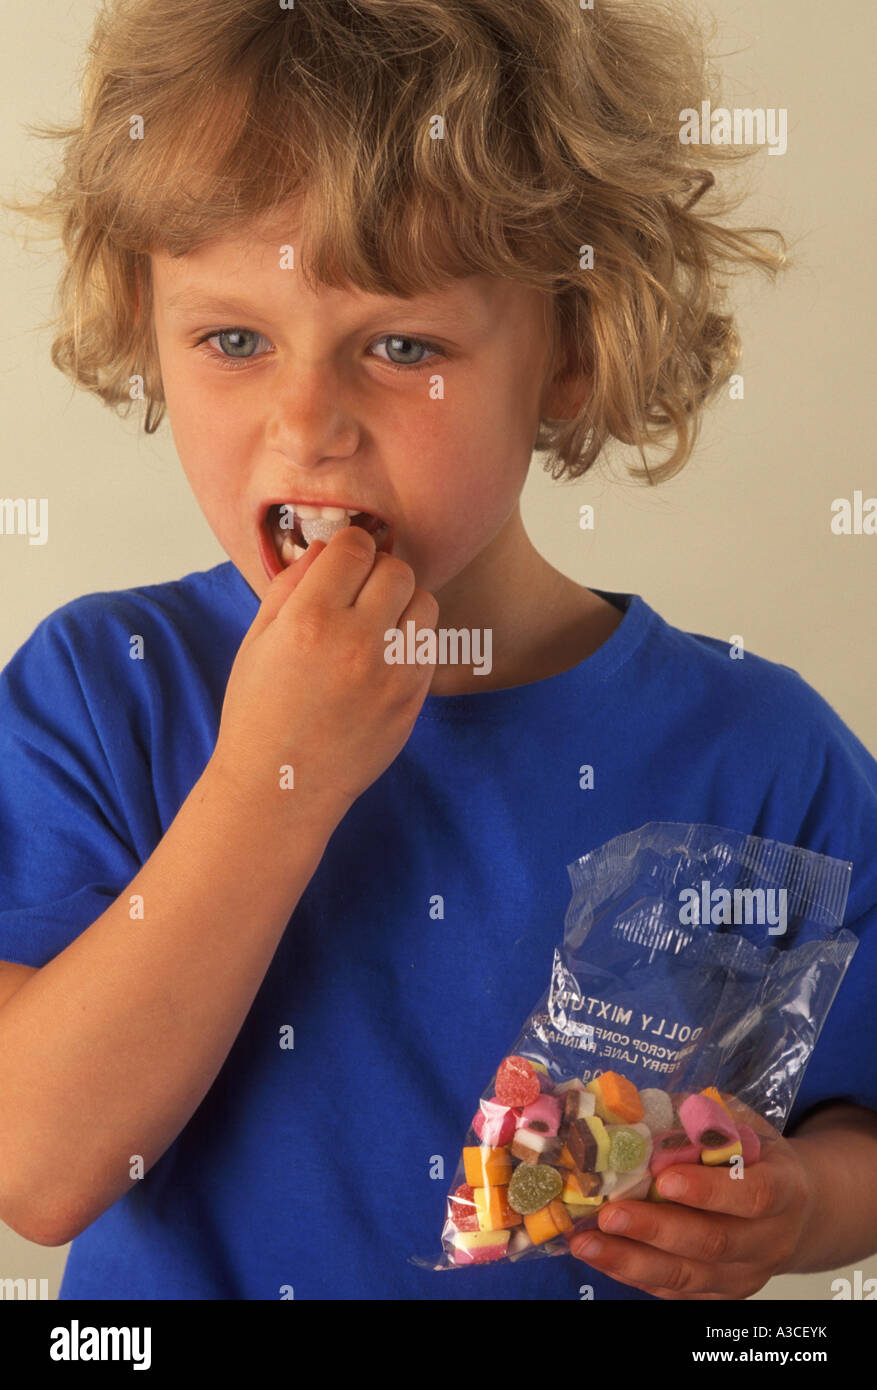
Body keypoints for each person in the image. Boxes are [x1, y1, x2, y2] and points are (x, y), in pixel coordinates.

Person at [0, 0, 874, 1300]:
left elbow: (854, 1130)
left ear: (573, 349)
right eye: (232, 339)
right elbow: (39, 1164)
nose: (306, 423)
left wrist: (796, 1207)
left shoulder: (760, 751)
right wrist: (269, 780)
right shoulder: (102, 688)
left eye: (401, 345)